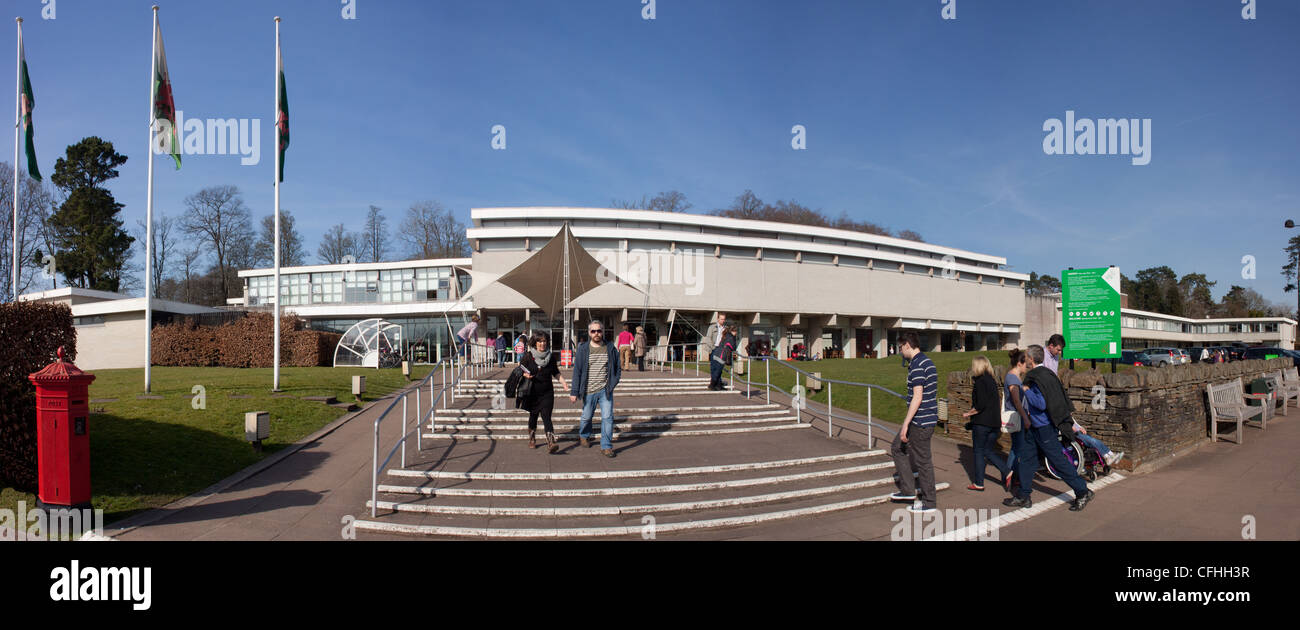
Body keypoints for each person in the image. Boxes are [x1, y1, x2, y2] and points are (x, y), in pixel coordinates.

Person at [1012, 344, 1095, 512]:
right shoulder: (1047, 374)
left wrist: (1025, 390)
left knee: (1058, 461)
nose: (1025, 359)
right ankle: (1023, 496)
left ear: (1031, 358)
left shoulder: (1036, 377)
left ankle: (1083, 491)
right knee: (1027, 460)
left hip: (1043, 427)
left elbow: (1041, 404)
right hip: (1034, 426)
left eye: (1026, 356)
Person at [889, 331, 939, 513]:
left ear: (908, 345)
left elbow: (917, 397)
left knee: (923, 461)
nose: (900, 352)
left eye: (901, 348)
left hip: (920, 420)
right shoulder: (927, 361)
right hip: (927, 417)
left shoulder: (917, 365)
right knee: (897, 448)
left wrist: (905, 425)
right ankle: (908, 490)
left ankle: (929, 502)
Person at [569, 319, 622, 458]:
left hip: (605, 391)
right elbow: (577, 372)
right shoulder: (583, 349)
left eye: (599, 330)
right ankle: (584, 435)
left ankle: (606, 446)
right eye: (593, 331)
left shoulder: (610, 348)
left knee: (607, 418)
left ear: (603, 331)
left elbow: (617, 368)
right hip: (588, 391)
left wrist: (612, 383)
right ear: (589, 333)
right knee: (586, 417)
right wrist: (574, 392)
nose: (596, 333)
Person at [960, 355, 1009, 491]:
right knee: (988, 451)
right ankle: (1007, 470)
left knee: (978, 452)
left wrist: (968, 413)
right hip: (994, 423)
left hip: (982, 424)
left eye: (973, 365)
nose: (972, 368)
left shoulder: (981, 382)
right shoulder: (992, 381)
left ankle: (979, 483)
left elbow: (980, 405)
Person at [518, 332, 568, 453]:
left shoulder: (550, 357)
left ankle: (551, 442)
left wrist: (564, 383)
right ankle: (532, 438)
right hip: (532, 392)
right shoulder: (528, 356)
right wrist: (525, 374)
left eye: (544, 341)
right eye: (540, 341)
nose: (542, 343)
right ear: (535, 343)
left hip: (547, 392)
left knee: (547, 417)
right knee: (533, 416)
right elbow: (520, 369)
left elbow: (555, 372)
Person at [1002, 349, 1033, 493]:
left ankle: (1011, 476)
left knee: (1016, 447)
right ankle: (1009, 475)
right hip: (1018, 417)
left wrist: (1024, 388)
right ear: (1019, 363)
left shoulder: (1013, 377)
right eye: (1025, 363)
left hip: (1018, 416)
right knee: (1018, 448)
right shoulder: (1013, 379)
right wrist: (1025, 417)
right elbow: (1016, 400)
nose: (1027, 366)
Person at [709, 325, 737, 390]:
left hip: (717, 353)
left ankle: (718, 386)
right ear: (733, 331)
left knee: (718, 371)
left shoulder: (725, 335)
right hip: (722, 356)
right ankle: (712, 385)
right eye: (736, 332)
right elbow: (733, 347)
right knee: (718, 371)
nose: (736, 333)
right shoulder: (731, 337)